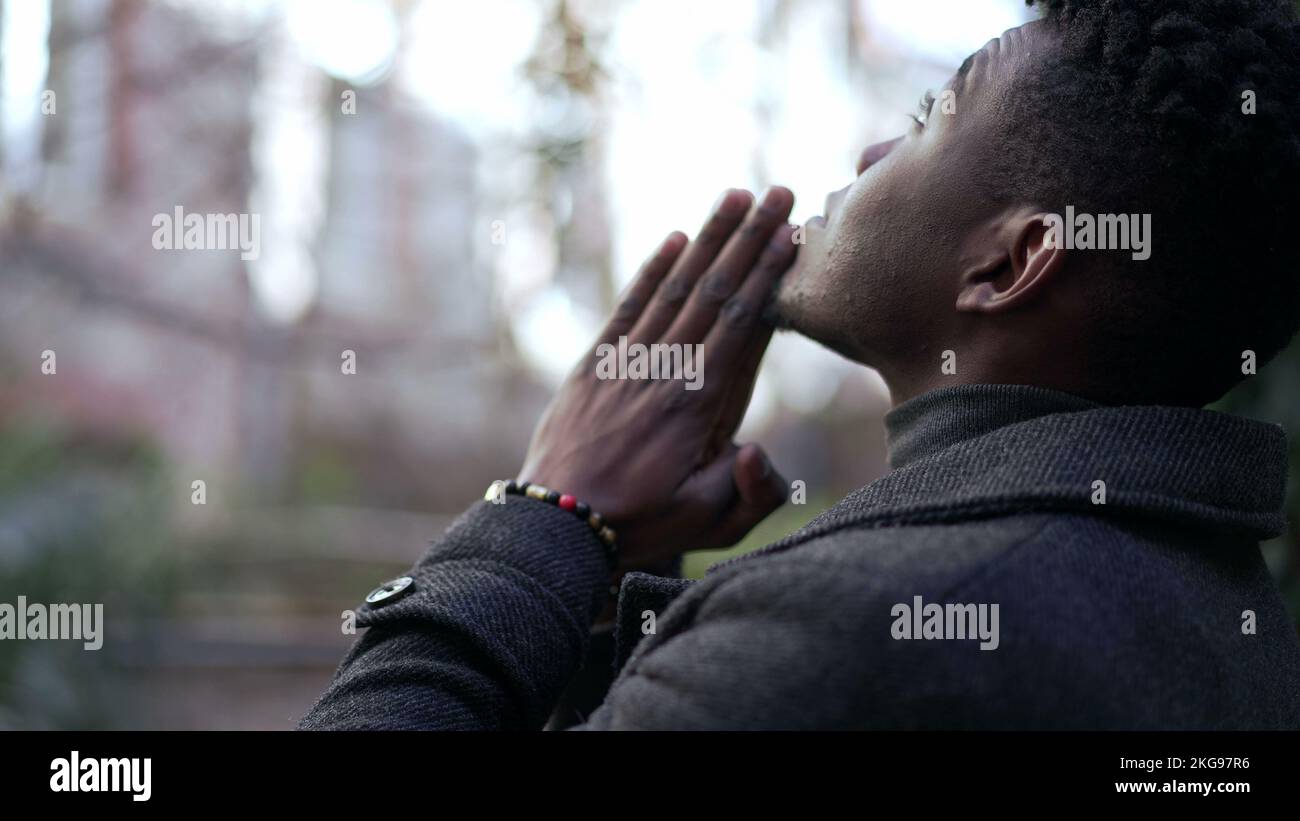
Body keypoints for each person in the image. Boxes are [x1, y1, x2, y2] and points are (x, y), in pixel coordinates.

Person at [301, 0, 1300, 730]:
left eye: (922, 119)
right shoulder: (1217, 600)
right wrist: (611, 564)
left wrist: (540, 514)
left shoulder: (852, 629)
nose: (870, 153)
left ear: (1010, 261)